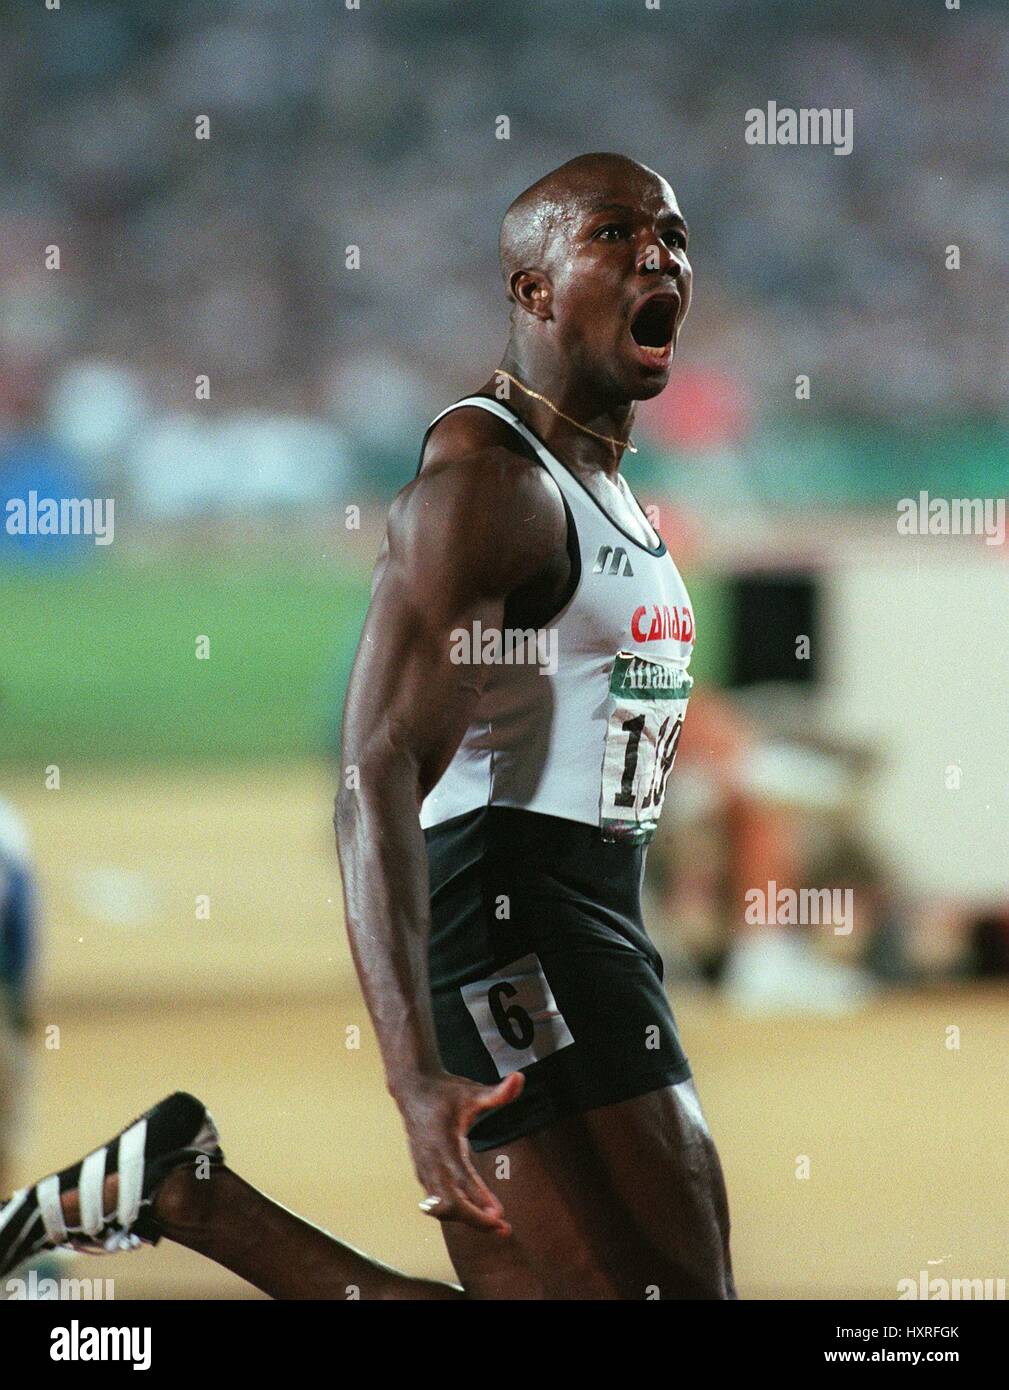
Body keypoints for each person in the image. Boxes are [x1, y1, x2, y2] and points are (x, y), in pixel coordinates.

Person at [0, 153, 734, 1300]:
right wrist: (411, 1073)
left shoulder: (605, 486)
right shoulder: (492, 485)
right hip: (517, 932)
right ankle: (183, 1193)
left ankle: (185, 1192)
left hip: (593, 918)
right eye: (614, 234)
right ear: (533, 292)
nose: (658, 255)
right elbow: (378, 766)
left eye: (673, 237)